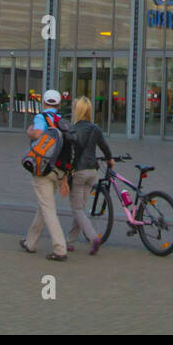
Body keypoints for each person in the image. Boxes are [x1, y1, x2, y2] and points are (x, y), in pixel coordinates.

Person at [20, 89, 69, 261]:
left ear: (44, 102)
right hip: (58, 170)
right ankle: (30, 242)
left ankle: (60, 248)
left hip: (42, 169)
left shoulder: (41, 117)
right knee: (44, 205)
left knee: (48, 209)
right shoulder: (61, 120)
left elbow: (39, 133)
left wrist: (30, 132)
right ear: (58, 103)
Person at [66, 95, 114, 255]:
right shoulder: (95, 128)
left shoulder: (72, 130)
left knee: (77, 208)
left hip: (79, 173)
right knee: (80, 209)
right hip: (92, 172)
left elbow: (68, 155)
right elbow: (105, 147)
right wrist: (110, 160)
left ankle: (93, 237)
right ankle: (69, 241)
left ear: (76, 111)